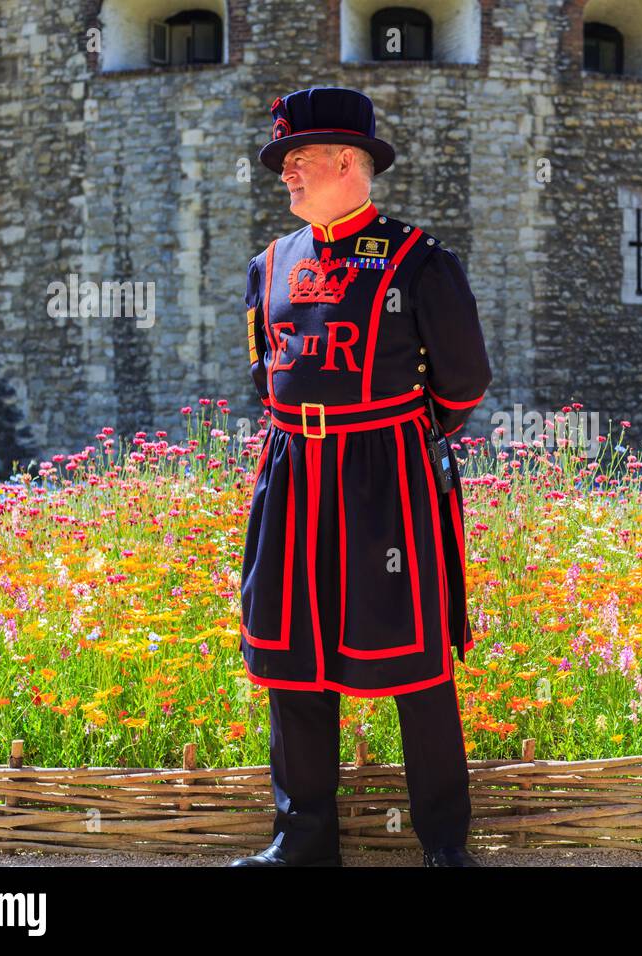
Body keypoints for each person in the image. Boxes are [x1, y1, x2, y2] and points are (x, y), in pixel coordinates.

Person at [229, 87, 492, 868]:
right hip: (292, 475)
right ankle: (302, 842)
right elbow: (263, 373)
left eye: (297, 161)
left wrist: (386, 439)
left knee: (416, 663)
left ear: (348, 162)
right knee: (291, 657)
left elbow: (464, 383)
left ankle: (445, 846)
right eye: (283, 165)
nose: (286, 177)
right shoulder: (269, 264)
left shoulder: (422, 261)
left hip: (388, 479)